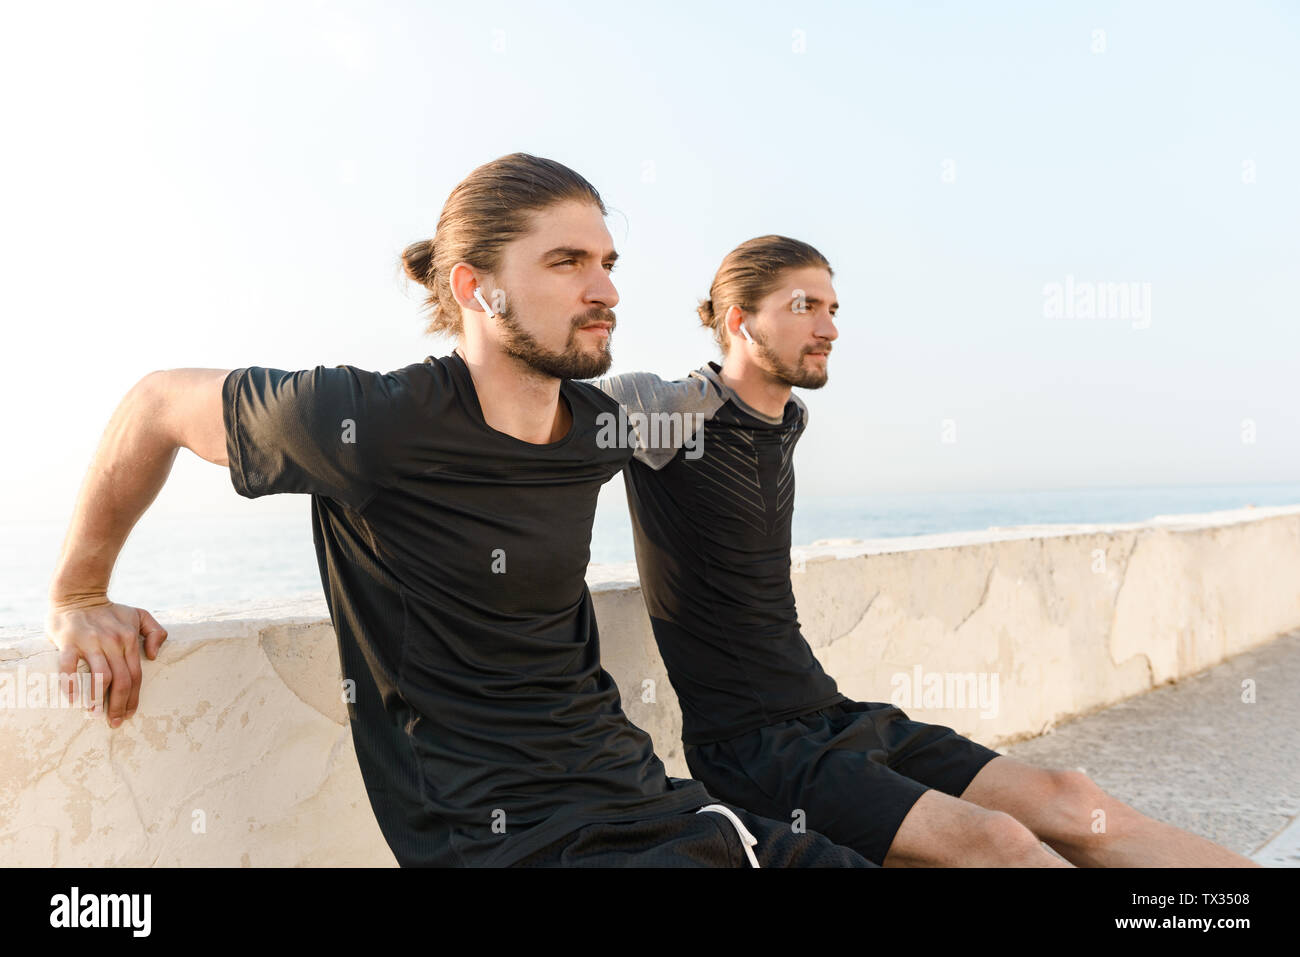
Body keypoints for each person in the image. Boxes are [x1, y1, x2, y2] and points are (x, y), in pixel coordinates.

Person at [43, 157, 872, 868]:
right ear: (475, 288)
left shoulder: (595, 425)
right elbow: (155, 403)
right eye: (567, 262)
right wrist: (81, 592)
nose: (606, 288)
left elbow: (705, 402)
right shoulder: (368, 421)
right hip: (498, 839)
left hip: (651, 801)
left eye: (609, 262)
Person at [594, 234, 1258, 867]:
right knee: (1000, 841)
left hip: (832, 714)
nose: (829, 328)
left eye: (832, 309)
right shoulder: (672, 409)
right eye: (804, 307)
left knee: (1072, 797)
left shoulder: (787, 416)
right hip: (755, 748)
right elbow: (541, 419)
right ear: (739, 320)